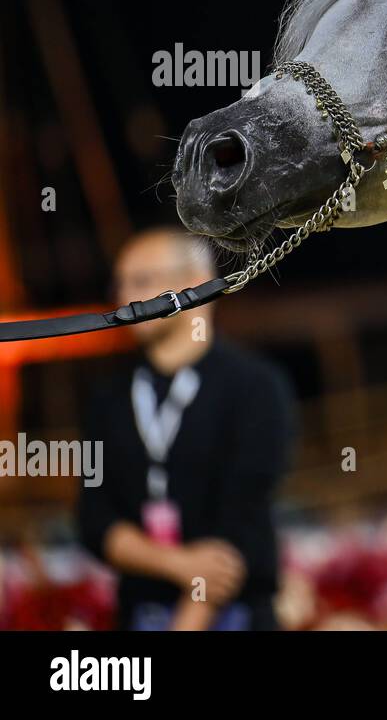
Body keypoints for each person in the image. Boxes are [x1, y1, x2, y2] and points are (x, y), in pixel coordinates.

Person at [77, 226, 296, 630]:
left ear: (195, 285)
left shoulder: (255, 387)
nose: (125, 296)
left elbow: (241, 518)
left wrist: (189, 618)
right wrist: (177, 564)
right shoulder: (108, 399)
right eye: (120, 282)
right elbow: (95, 519)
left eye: (142, 281)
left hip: (238, 615)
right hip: (141, 614)